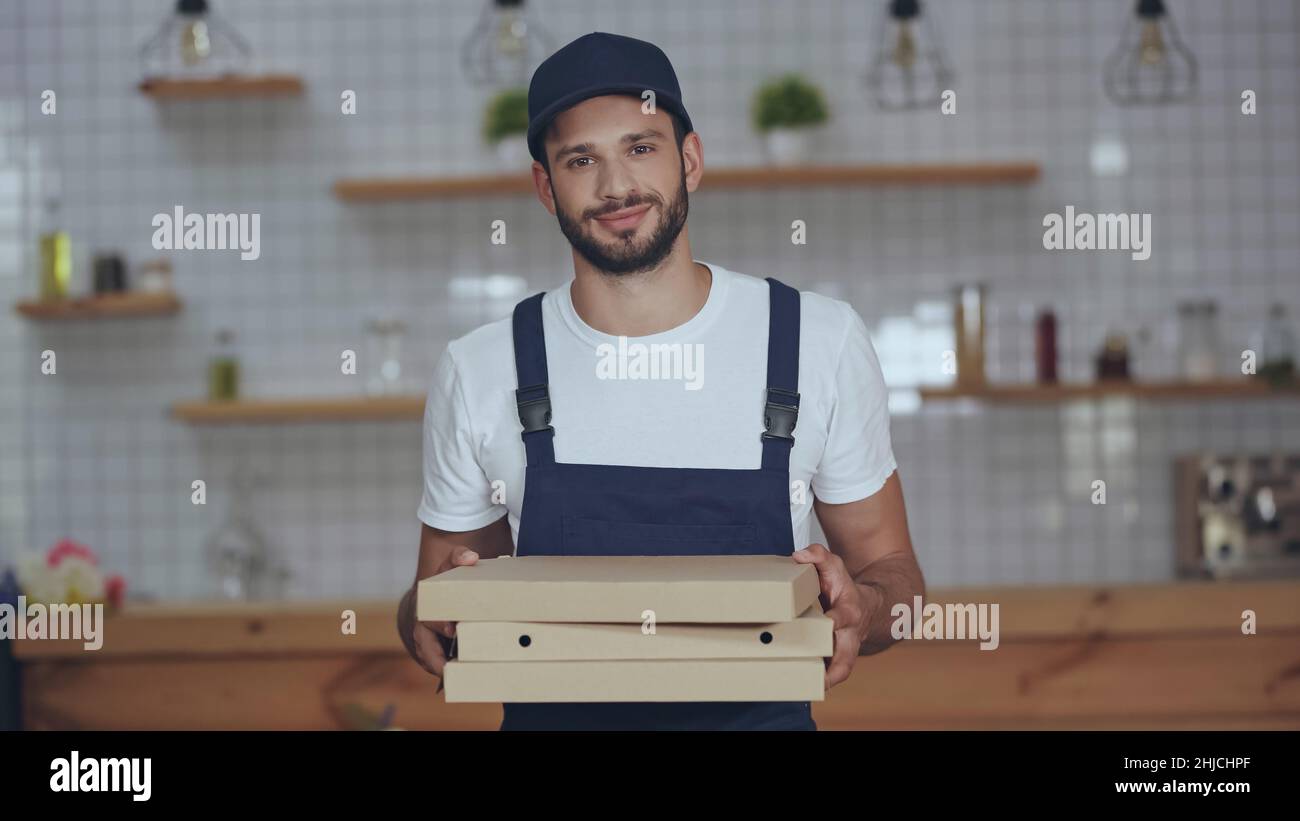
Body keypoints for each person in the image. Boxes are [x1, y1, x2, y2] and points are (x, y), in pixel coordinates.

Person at [397, 31, 924, 730]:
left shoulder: (815, 343)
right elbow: (432, 599)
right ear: (544, 187)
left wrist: (862, 607)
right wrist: (427, 619)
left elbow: (898, 580)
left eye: (641, 147)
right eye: (581, 159)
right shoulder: (483, 367)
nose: (616, 187)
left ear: (691, 159)